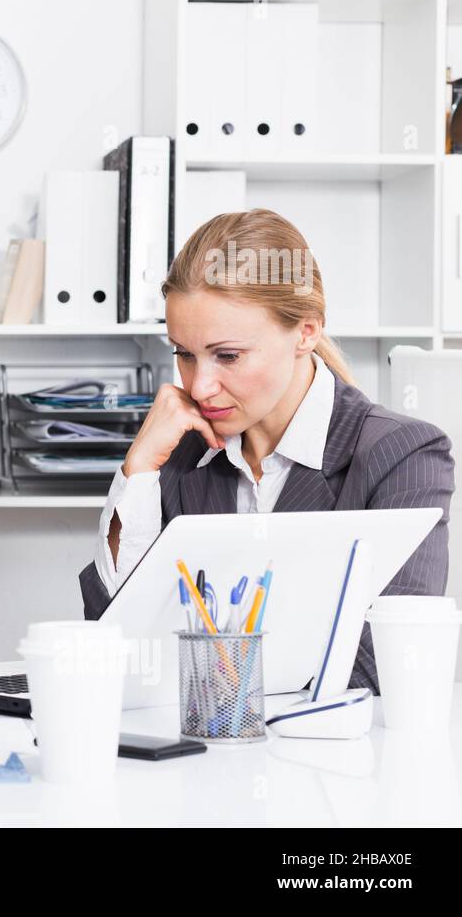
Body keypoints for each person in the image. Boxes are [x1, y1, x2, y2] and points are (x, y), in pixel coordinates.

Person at [78, 209, 455, 691]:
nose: (199, 386)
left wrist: (204, 675)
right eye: (184, 354)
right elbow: (115, 652)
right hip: (187, 738)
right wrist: (138, 472)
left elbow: (382, 666)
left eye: (228, 355)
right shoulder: (176, 453)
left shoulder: (403, 455)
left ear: (306, 332)